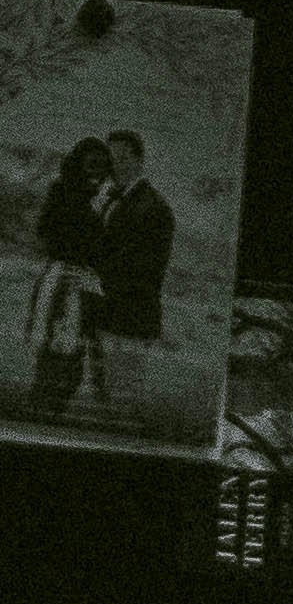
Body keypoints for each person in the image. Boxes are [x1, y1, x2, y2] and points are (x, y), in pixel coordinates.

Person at [85, 125, 174, 425]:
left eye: (123, 159)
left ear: (139, 161)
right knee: (104, 398)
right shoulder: (108, 198)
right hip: (104, 312)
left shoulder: (154, 209)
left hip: (130, 317)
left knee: (122, 401)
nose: (115, 166)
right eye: (110, 159)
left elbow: (146, 270)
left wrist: (96, 276)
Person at [20, 135, 111, 414]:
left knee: (76, 344)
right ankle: (43, 400)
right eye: (90, 164)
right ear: (78, 165)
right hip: (62, 274)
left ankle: (55, 400)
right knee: (53, 342)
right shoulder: (62, 192)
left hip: (85, 278)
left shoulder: (106, 200)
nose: (94, 172)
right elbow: (48, 232)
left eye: (100, 165)